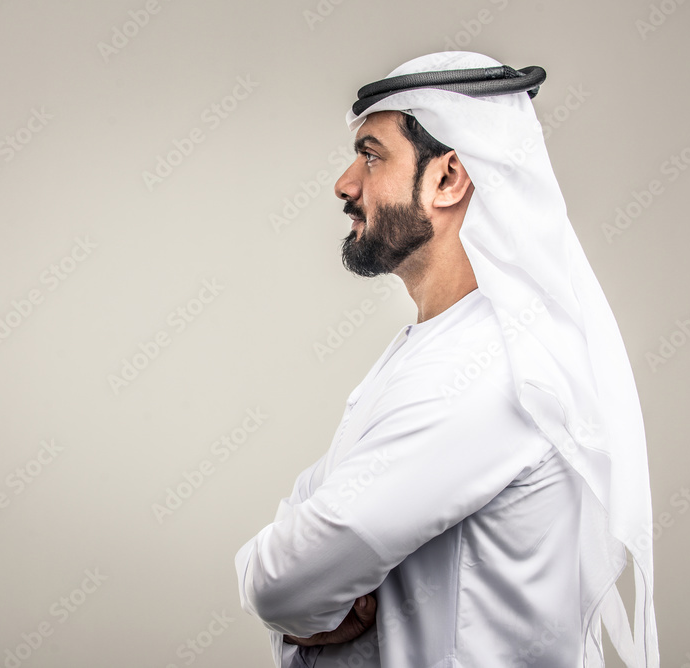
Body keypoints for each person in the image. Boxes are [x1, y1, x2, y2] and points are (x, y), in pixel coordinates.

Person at [234, 51, 659, 667]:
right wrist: (299, 580)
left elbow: (285, 581)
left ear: (448, 178)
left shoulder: (488, 365)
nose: (346, 184)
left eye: (371, 155)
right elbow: (309, 521)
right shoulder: (434, 346)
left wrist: (286, 588)